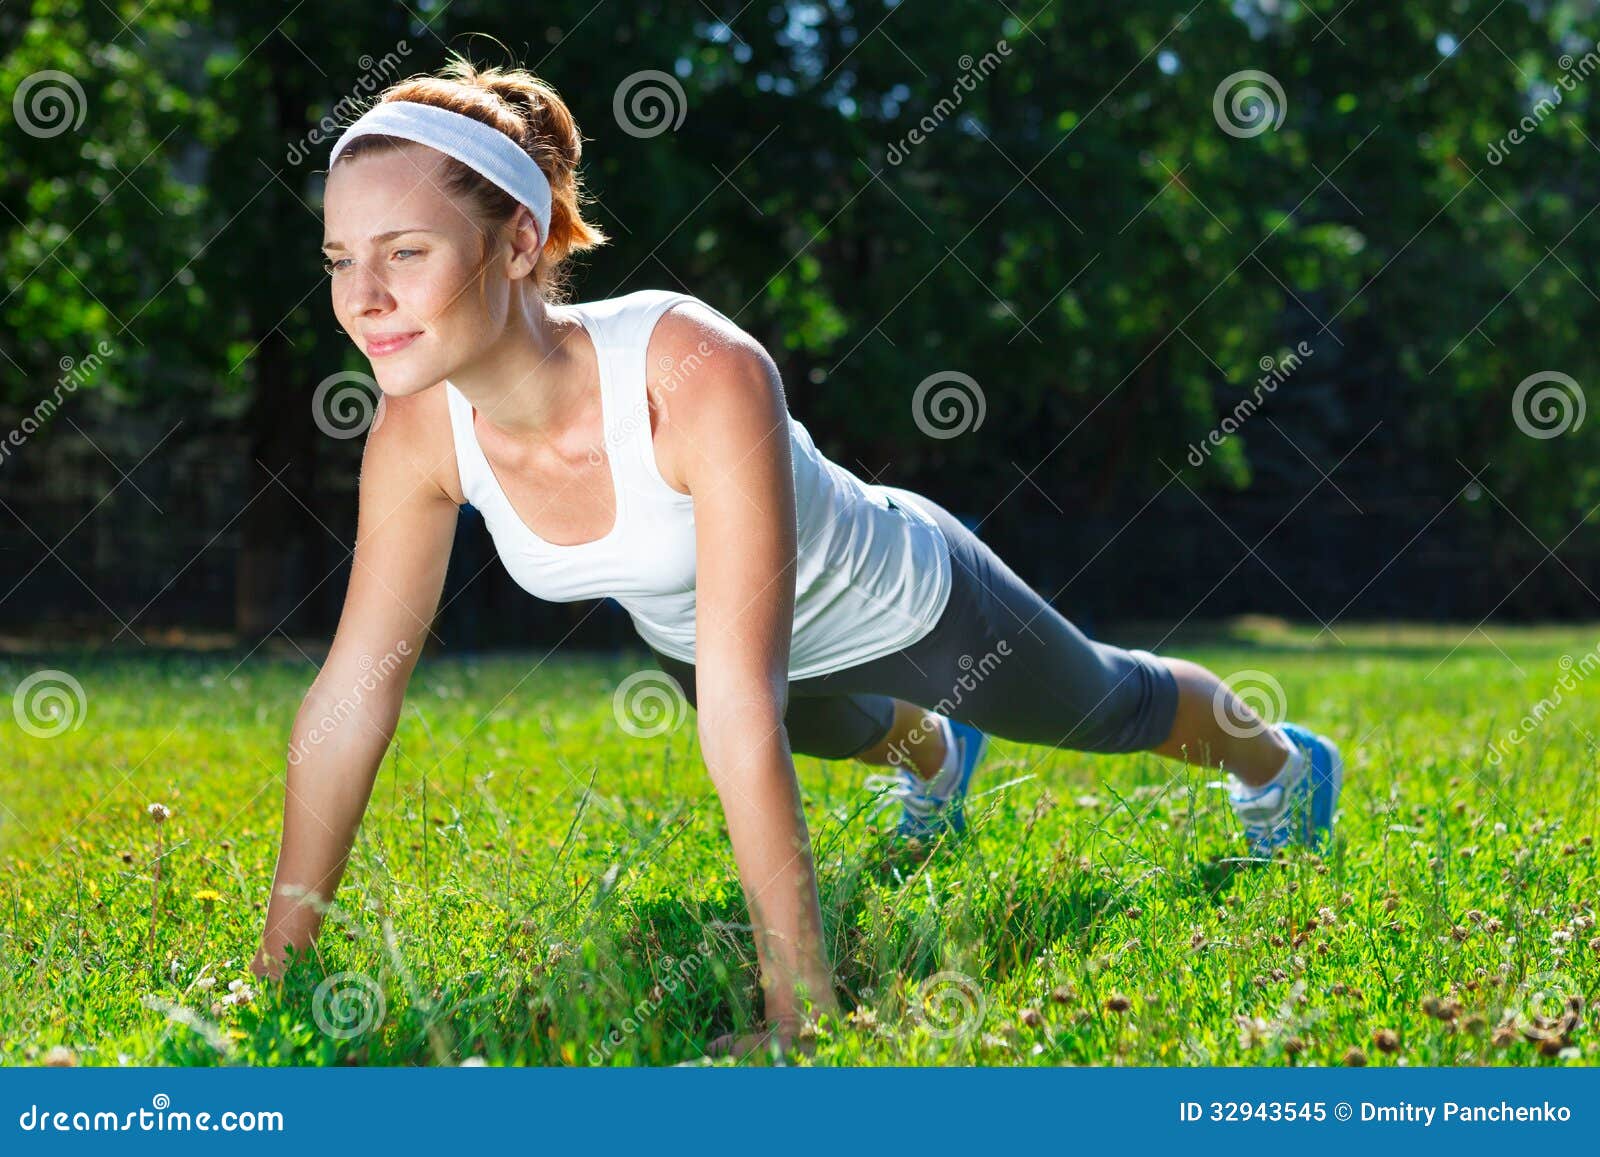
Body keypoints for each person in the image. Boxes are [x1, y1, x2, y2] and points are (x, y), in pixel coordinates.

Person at [249, 55, 1344, 1057]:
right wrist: (278, 968)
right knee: (827, 728)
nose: (362, 297)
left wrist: (800, 1008)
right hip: (712, 651)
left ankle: (1283, 767)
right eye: (341, 258)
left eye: (405, 253)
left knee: (1107, 706)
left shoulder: (694, 370)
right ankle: (935, 754)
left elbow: (743, 703)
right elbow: (353, 694)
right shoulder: (416, 433)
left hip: (907, 606)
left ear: (520, 242)